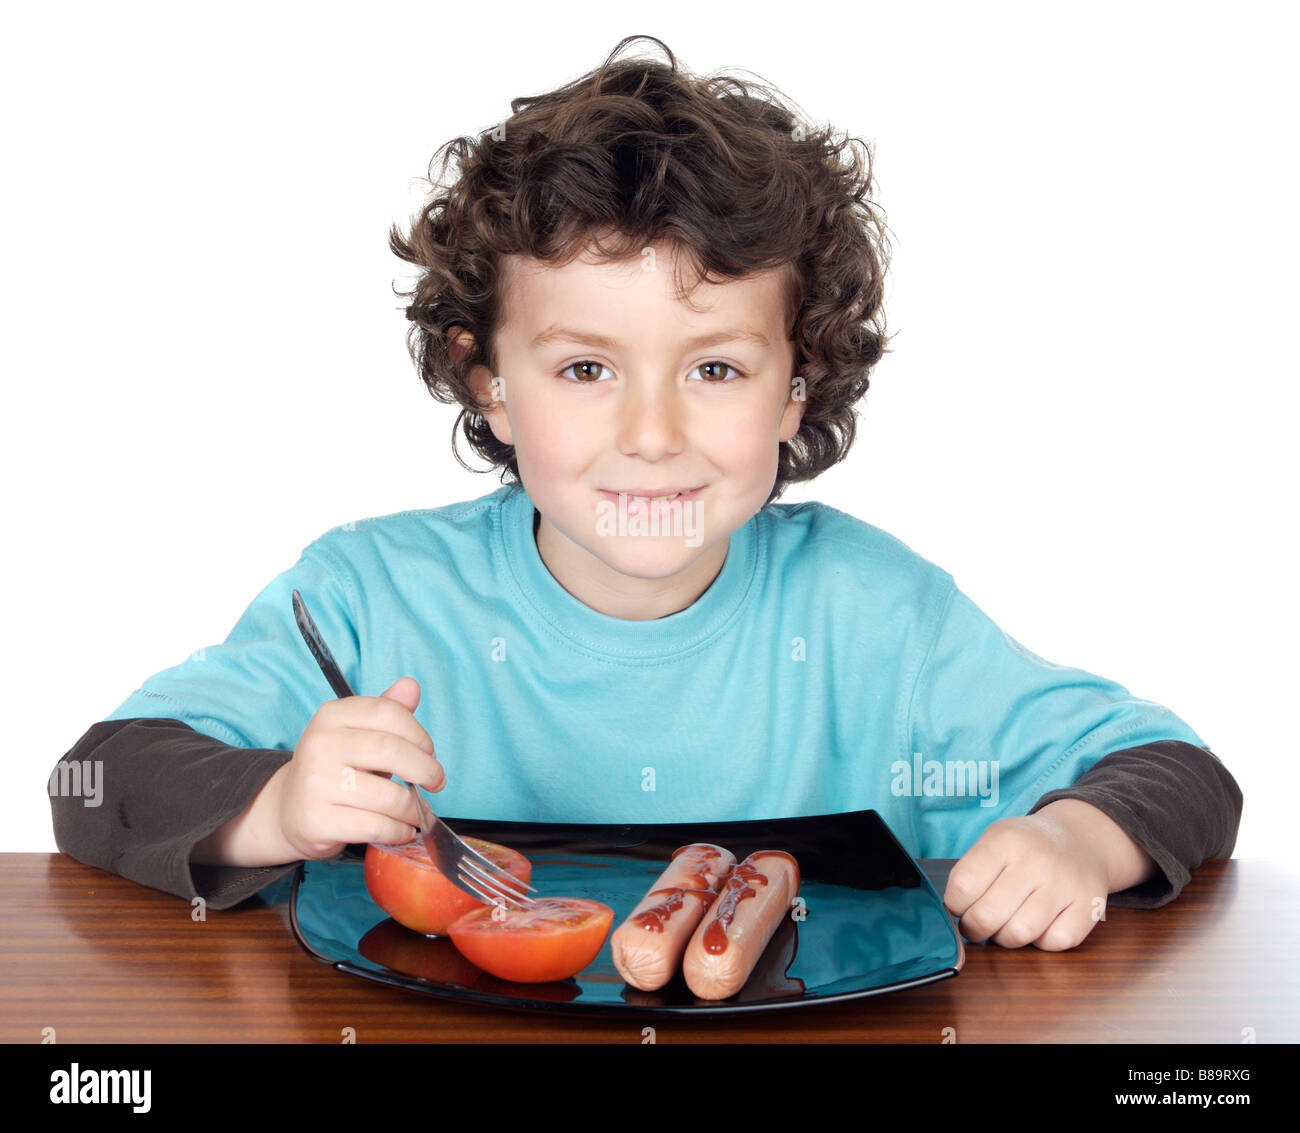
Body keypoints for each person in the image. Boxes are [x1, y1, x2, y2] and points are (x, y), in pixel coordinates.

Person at [51, 36, 1240, 951]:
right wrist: (273, 804)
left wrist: (1079, 837)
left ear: (796, 386)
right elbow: (91, 779)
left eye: (715, 367)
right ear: (489, 383)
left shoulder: (879, 617)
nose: (653, 434)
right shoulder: (368, 595)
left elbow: (1175, 768)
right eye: (583, 368)